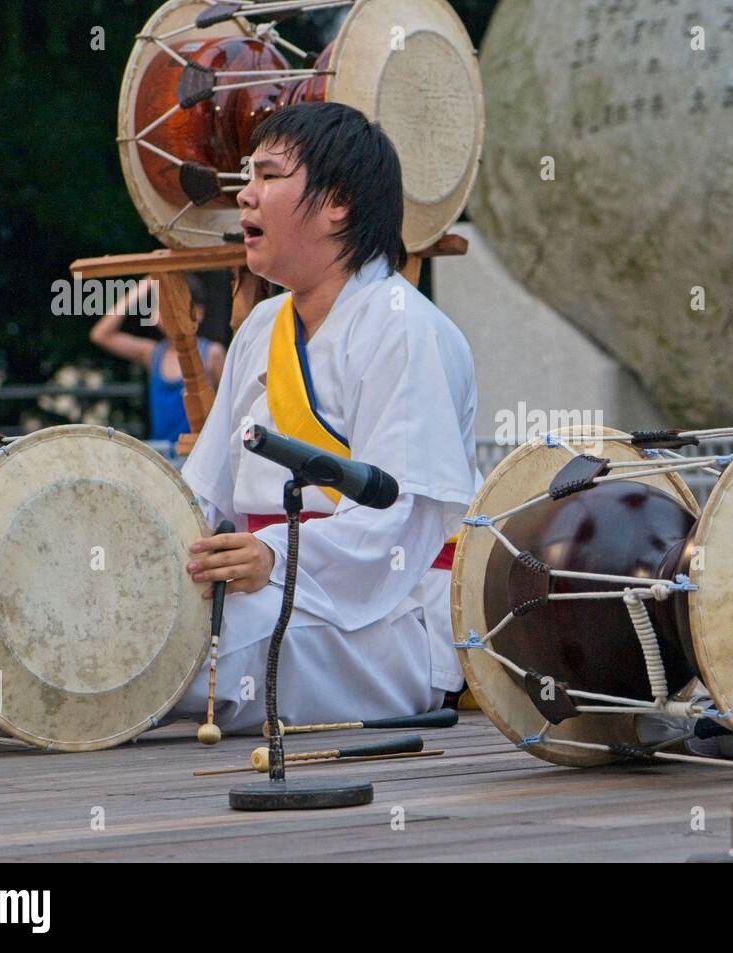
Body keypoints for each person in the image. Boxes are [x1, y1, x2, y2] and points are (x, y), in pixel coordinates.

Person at [164, 101, 480, 733]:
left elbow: (399, 521)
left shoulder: (405, 329)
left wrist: (272, 556)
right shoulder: (262, 327)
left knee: (164, 655)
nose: (245, 195)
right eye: (248, 177)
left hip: (392, 623)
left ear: (338, 202)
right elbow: (202, 495)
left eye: (269, 175)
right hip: (270, 585)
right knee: (133, 620)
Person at [89, 273, 226, 447]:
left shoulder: (212, 353)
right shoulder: (153, 353)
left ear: (197, 312)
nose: (166, 314)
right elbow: (101, 335)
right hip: (160, 455)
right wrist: (144, 285)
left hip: (200, 452)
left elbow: (229, 404)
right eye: (160, 307)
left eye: (173, 306)